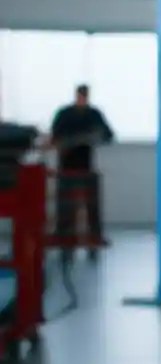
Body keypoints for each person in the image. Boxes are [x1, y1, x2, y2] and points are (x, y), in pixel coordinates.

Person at [49, 84, 115, 260]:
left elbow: (108, 135)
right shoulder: (65, 114)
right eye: (81, 96)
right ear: (76, 95)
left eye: (85, 97)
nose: (82, 100)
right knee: (65, 206)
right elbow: (55, 137)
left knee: (91, 204)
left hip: (86, 167)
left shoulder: (93, 114)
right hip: (66, 168)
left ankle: (93, 238)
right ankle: (65, 240)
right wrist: (72, 141)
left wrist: (92, 137)